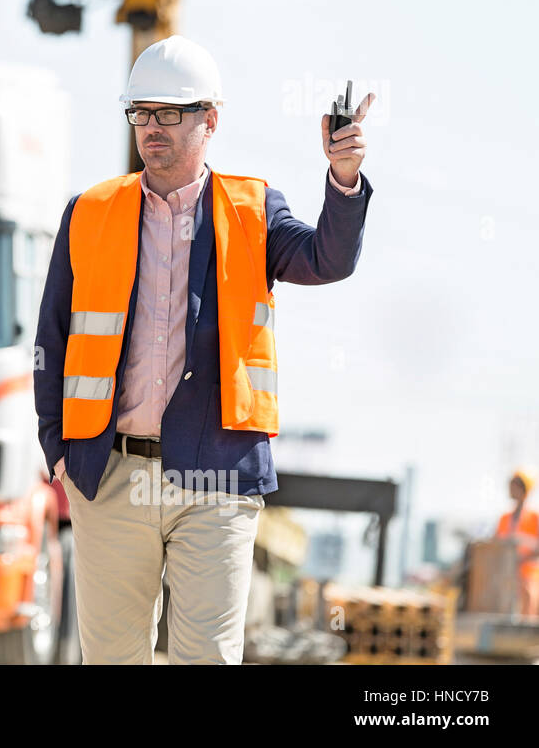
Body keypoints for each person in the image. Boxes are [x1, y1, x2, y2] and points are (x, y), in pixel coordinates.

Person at [34, 35, 374, 663]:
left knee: (208, 658)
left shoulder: (252, 210)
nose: (151, 128)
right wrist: (57, 448)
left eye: (169, 113)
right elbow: (51, 338)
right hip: (108, 475)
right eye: (141, 113)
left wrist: (344, 180)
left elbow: (328, 260)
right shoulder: (89, 212)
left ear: (209, 119)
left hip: (217, 476)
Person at [494, 469, 539, 616]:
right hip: (506, 576)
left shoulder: (534, 517)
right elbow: (496, 544)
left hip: (529, 577)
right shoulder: (504, 518)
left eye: (514, 485)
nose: (510, 489)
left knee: (528, 614)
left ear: (523, 489)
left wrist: (521, 555)